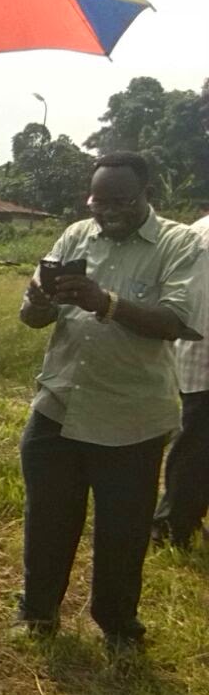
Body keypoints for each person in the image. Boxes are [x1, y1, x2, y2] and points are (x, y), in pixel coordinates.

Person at [18, 153, 202, 650]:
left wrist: (106, 302)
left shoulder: (180, 243)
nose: (107, 212)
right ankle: (37, 612)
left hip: (131, 418)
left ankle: (117, 624)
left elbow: (176, 323)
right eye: (99, 202)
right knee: (48, 518)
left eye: (120, 202)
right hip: (58, 405)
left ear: (146, 195)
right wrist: (37, 301)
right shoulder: (77, 234)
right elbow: (34, 319)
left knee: (123, 532)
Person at [152, 214, 209, 549]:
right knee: (196, 446)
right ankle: (172, 523)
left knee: (196, 444)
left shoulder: (198, 229)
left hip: (195, 350)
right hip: (203, 354)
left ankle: (181, 517)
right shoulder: (202, 235)